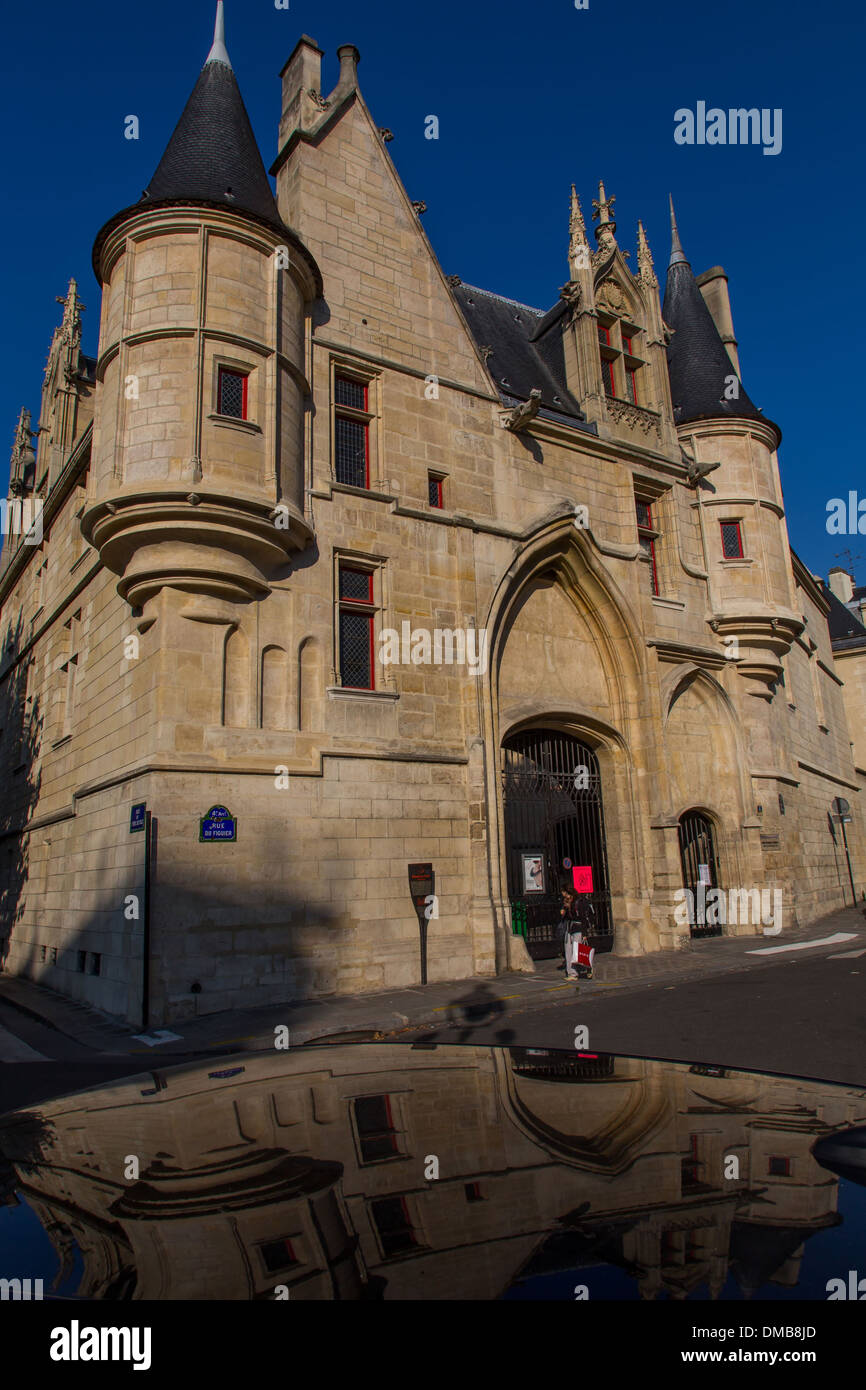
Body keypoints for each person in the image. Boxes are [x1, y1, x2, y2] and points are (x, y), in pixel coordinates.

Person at [559, 885, 596, 979]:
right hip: (569, 928)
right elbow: (567, 917)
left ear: (569, 893)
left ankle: (587, 968)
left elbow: (583, 918)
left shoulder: (579, 902)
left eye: (565, 893)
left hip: (578, 928)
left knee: (578, 951)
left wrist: (584, 933)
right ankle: (572, 973)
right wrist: (564, 911)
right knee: (568, 951)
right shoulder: (566, 902)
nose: (564, 896)